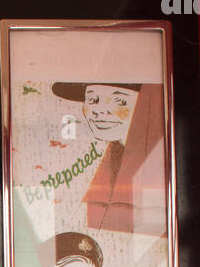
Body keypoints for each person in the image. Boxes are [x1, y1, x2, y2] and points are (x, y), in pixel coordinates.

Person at [50, 80, 166, 235]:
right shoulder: (111, 155)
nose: (99, 110)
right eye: (92, 100)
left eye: (119, 101)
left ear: (146, 103)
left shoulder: (157, 160)